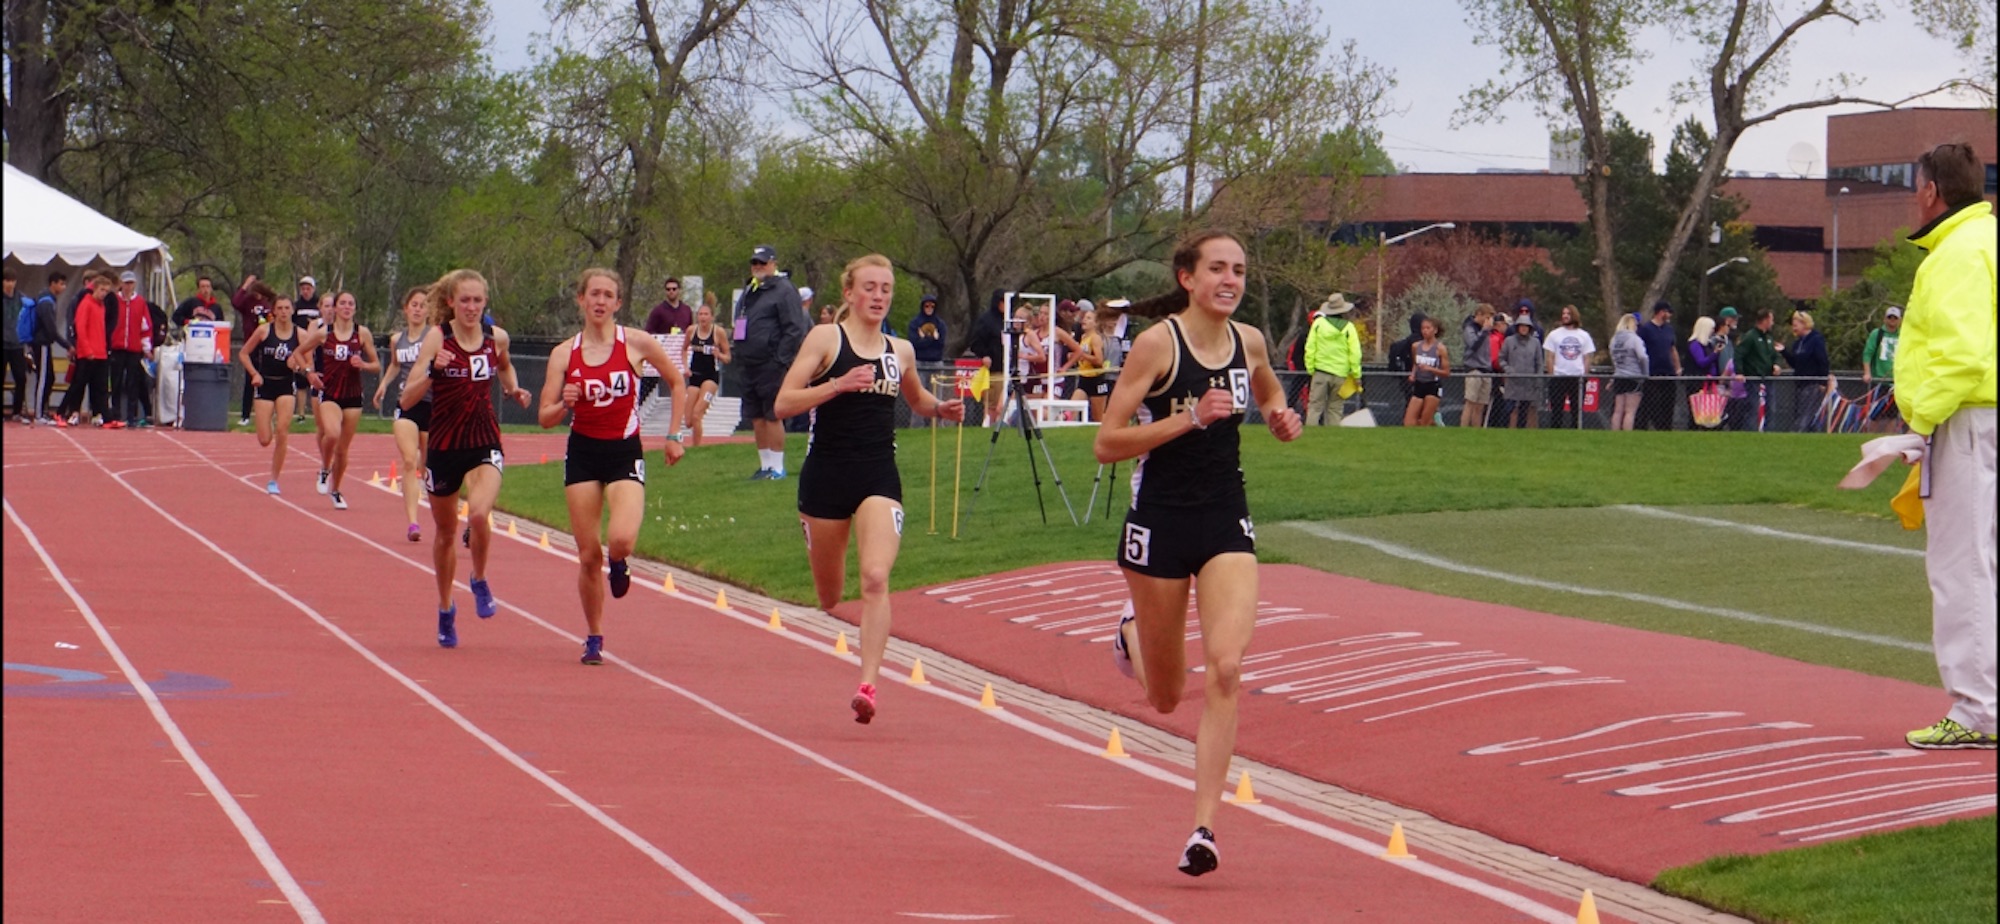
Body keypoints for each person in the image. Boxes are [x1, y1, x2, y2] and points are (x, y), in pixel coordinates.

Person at [1095, 230, 1302, 877]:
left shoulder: (1249, 342)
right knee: (1164, 696)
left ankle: (1202, 829)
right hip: (1158, 521)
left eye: (1238, 270)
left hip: (1223, 520)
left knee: (1226, 669)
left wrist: (1277, 413)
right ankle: (1130, 636)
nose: (1230, 279)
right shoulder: (1159, 345)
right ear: (1188, 277)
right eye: (1217, 268)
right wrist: (1191, 418)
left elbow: (1267, 387)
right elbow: (1107, 441)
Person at [774, 253, 965, 723]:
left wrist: (940, 410)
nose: (878, 296)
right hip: (825, 475)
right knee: (830, 595)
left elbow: (916, 397)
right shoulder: (826, 338)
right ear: (850, 293)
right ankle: (817, 547)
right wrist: (837, 385)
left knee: (876, 578)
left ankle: (869, 684)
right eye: (870, 288)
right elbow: (782, 403)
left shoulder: (900, 350)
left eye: (886, 289)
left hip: (879, 474)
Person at [1895, 141, 1997, 751]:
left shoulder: (1956, 253)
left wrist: (1921, 422)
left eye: (1917, 186)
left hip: (1966, 417)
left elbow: (1961, 354)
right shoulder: (1986, 241)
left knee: (1961, 566)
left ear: (1932, 191)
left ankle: (1977, 709)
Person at [539, 268, 688, 665]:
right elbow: (545, 417)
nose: (600, 301)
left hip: (624, 451)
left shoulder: (635, 343)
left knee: (620, 539)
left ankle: (620, 562)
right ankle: (593, 635)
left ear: (618, 303)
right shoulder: (563, 354)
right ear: (581, 300)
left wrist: (675, 435)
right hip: (584, 454)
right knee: (588, 554)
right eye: (594, 294)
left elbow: (676, 381)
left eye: (608, 295)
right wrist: (565, 402)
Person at [400, 269, 534, 649]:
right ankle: (445, 608)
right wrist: (432, 370)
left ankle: (478, 577)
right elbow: (407, 399)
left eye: (478, 301)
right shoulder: (436, 338)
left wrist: (512, 389)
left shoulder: (496, 338)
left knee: (478, 514)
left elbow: (504, 363)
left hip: (483, 440)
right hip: (443, 445)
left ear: (485, 303)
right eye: (465, 301)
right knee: (444, 533)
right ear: (451, 303)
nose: (472, 307)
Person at [297, 292, 380, 510]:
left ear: (355, 308)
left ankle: (336, 490)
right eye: (342, 303)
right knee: (331, 433)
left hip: (353, 396)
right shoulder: (324, 334)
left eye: (350, 303)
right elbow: (298, 352)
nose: (346, 307)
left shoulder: (362, 334)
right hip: (330, 393)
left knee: (343, 450)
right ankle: (325, 468)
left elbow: (376, 365)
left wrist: (363, 364)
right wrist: (309, 373)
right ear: (334, 308)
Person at [734, 245, 809, 480]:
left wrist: (780, 359)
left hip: (770, 363)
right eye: (755, 263)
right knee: (755, 414)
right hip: (748, 362)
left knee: (772, 414)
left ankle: (777, 466)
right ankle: (765, 465)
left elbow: (794, 329)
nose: (758, 267)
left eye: (763, 263)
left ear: (774, 264)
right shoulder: (750, 290)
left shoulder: (784, 290)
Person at [372, 287, 434, 541]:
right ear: (406, 308)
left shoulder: (435, 337)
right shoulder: (398, 339)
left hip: (434, 405)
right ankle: (413, 522)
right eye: (414, 304)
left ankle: (442, 514)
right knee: (409, 461)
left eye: (423, 305)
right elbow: (396, 364)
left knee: (429, 465)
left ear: (429, 310)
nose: (418, 309)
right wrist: (384, 384)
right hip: (407, 404)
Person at [237, 296, 304, 493]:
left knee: (283, 432)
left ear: (293, 311)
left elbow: (308, 364)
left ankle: (274, 480)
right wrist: (254, 373)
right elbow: (243, 353)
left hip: (286, 385)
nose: (284, 312)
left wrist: (298, 365)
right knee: (265, 440)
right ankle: (271, 423)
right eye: (280, 308)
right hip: (265, 384)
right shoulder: (264, 330)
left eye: (287, 308)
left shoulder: (300, 334)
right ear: (274, 311)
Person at [58, 274, 112, 428]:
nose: (104, 294)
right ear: (94, 289)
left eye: (106, 291)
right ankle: (67, 412)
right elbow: (80, 328)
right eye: (102, 290)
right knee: (78, 384)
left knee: (100, 387)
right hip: (87, 353)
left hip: (100, 352)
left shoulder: (101, 306)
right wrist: (87, 350)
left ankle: (100, 415)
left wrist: (103, 349)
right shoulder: (86, 304)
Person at [1303, 293, 1363, 426]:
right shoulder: (1349, 328)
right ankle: (1333, 435)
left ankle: (1310, 435)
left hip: (1320, 371)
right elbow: (1355, 353)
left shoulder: (1318, 324)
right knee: (1335, 408)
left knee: (1314, 407)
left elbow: (1310, 347)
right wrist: (1356, 374)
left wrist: (1310, 368)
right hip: (1340, 374)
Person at [106, 271, 155, 428]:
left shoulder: (140, 302)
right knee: (116, 382)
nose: (128, 286)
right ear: (121, 283)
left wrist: (147, 348)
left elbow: (145, 327)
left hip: (134, 348)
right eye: (126, 283)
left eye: (131, 283)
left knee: (133, 383)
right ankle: (116, 414)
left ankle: (131, 416)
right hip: (117, 347)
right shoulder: (114, 300)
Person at [680, 301, 731, 445]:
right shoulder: (691, 331)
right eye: (700, 314)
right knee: (689, 420)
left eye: (706, 314)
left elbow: (728, 357)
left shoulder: (718, 332)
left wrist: (719, 355)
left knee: (697, 415)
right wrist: (685, 367)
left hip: (710, 377)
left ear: (712, 317)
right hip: (695, 375)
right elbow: (684, 349)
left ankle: (697, 448)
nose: (703, 317)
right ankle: (696, 440)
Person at [1541, 304, 1595, 429]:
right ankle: (1555, 431)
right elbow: (1550, 356)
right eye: (1563, 313)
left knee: (1576, 410)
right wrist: (1552, 374)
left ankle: (1575, 431)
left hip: (1577, 378)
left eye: (1568, 314)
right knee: (1556, 410)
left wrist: (1584, 375)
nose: (1565, 316)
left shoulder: (1584, 336)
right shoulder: (1554, 335)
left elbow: (1587, 357)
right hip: (1559, 377)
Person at [26, 273, 70, 425]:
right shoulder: (46, 302)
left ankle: (42, 410)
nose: (63, 287)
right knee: (44, 378)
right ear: (53, 284)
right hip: (41, 344)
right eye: (61, 284)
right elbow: (50, 329)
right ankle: (38, 414)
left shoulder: (49, 300)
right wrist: (67, 345)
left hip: (44, 343)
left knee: (49, 377)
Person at [232, 275, 276, 425]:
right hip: (251, 345)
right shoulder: (247, 302)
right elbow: (235, 302)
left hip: (266, 345)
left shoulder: (267, 303)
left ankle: (268, 415)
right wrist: (245, 285)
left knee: (267, 380)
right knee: (250, 381)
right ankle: (245, 416)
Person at [1635, 301, 1682, 430]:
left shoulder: (1669, 329)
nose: (1669, 315)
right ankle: (1650, 427)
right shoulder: (1646, 329)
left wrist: (1677, 367)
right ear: (1661, 312)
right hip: (1652, 372)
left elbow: (1672, 349)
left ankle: (1666, 428)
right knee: (1652, 403)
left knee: (1668, 403)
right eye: (1668, 312)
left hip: (1668, 372)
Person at [1735, 307, 1782, 431]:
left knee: (1771, 407)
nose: (1773, 323)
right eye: (1771, 320)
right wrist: (1739, 371)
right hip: (1754, 378)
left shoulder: (1769, 338)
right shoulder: (1750, 336)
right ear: (1765, 320)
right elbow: (1739, 354)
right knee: (1753, 406)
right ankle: (1750, 431)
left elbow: (1774, 354)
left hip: (1768, 377)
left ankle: (1769, 432)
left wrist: (1776, 364)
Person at [1786, 310, 1832, 432]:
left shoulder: (1816, 340)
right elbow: (1795, 363)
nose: (1793, 328)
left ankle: (1799, 433)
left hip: (1813, 382)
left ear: (1804, 324)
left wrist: (1823, 381)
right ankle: (1812, 433)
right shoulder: (1797, 343)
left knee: (1807, 412)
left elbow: (1823, 360)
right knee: (1801, 411)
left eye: (1796, 325)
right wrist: (1783, 352)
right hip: (1800, 383)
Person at [1861, 305, 1904, 433]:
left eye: (1895, 318)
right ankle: (1871, 436)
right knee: (1875, 413)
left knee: (1892, 415)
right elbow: (1868, 353)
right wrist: (1867, 372)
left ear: (1899, 320)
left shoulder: (1903, 335)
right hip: (1880, 381)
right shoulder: (1877, 334)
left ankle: (1888, 439)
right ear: (1885, 319)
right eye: (1889, 318)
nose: (1892, 321)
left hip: (1896, 382)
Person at [1459, 303, 1501, 428]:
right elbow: (1473, 345)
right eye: (1487, 318)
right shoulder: (1470, 328)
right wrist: (1483, 331)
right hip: (1474, 369)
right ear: (1479, 315)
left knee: (1480, 405)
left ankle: (1477, 430)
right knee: (1470, 402)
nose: (1489, 321)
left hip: (1485, 369)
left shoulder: (1488, 332)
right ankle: (1464, 428)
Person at [1498, 311, 1542, 429]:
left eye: (1526, 326)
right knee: (1509, 409)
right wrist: (1508, 370)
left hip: (1529, 382)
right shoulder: (1509, 341)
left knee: (1525, 410)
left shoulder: (1535, 343)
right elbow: (1501, 358)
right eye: (1521, 326)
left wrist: (1538, 379)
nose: (1523, 329)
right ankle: (1506, 430)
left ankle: (1522, 433)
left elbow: (1539, 362)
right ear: (1517, 327)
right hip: (1513, 382)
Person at [1403, 315, 1450, 427]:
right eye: (1423, 328)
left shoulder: (1440, 349)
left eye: (1428, 328)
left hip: (1433, 386)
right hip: (1419, 385)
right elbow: (1416, 363)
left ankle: (1435, 422)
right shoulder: (1416, 346)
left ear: (1435, 330)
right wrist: (1413, 374)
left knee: (1424, 422)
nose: (1425, 331)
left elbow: (1446, 372)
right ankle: (1435, 423)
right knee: (1409, 423)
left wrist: (1431, 369)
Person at [1608, 314, 1646, 430]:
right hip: (1633, 376)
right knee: (1630, 411)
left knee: (1618, 410)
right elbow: (1643, 356)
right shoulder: (1634, 339)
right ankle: (1626, 435)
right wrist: (1645, 373)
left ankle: (1615, 434)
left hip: (1619, 376)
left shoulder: (1614, 340)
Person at [3, 270, 27, 423]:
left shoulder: (21, 298)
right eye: (7, 281)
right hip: (3, 344)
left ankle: (17, 411)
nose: (10, 284)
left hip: (17, 344)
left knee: (21, 378)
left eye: (13, 281)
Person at [907, 293, 946, 364]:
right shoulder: (915, 323)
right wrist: (932, 338)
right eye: (927, 306)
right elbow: (914, 343)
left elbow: (941, 344)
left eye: (932, 306)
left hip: (936, 361)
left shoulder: (940, 323)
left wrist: (924, 339)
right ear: (923, 307)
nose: (929, 309)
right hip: (919, 361)